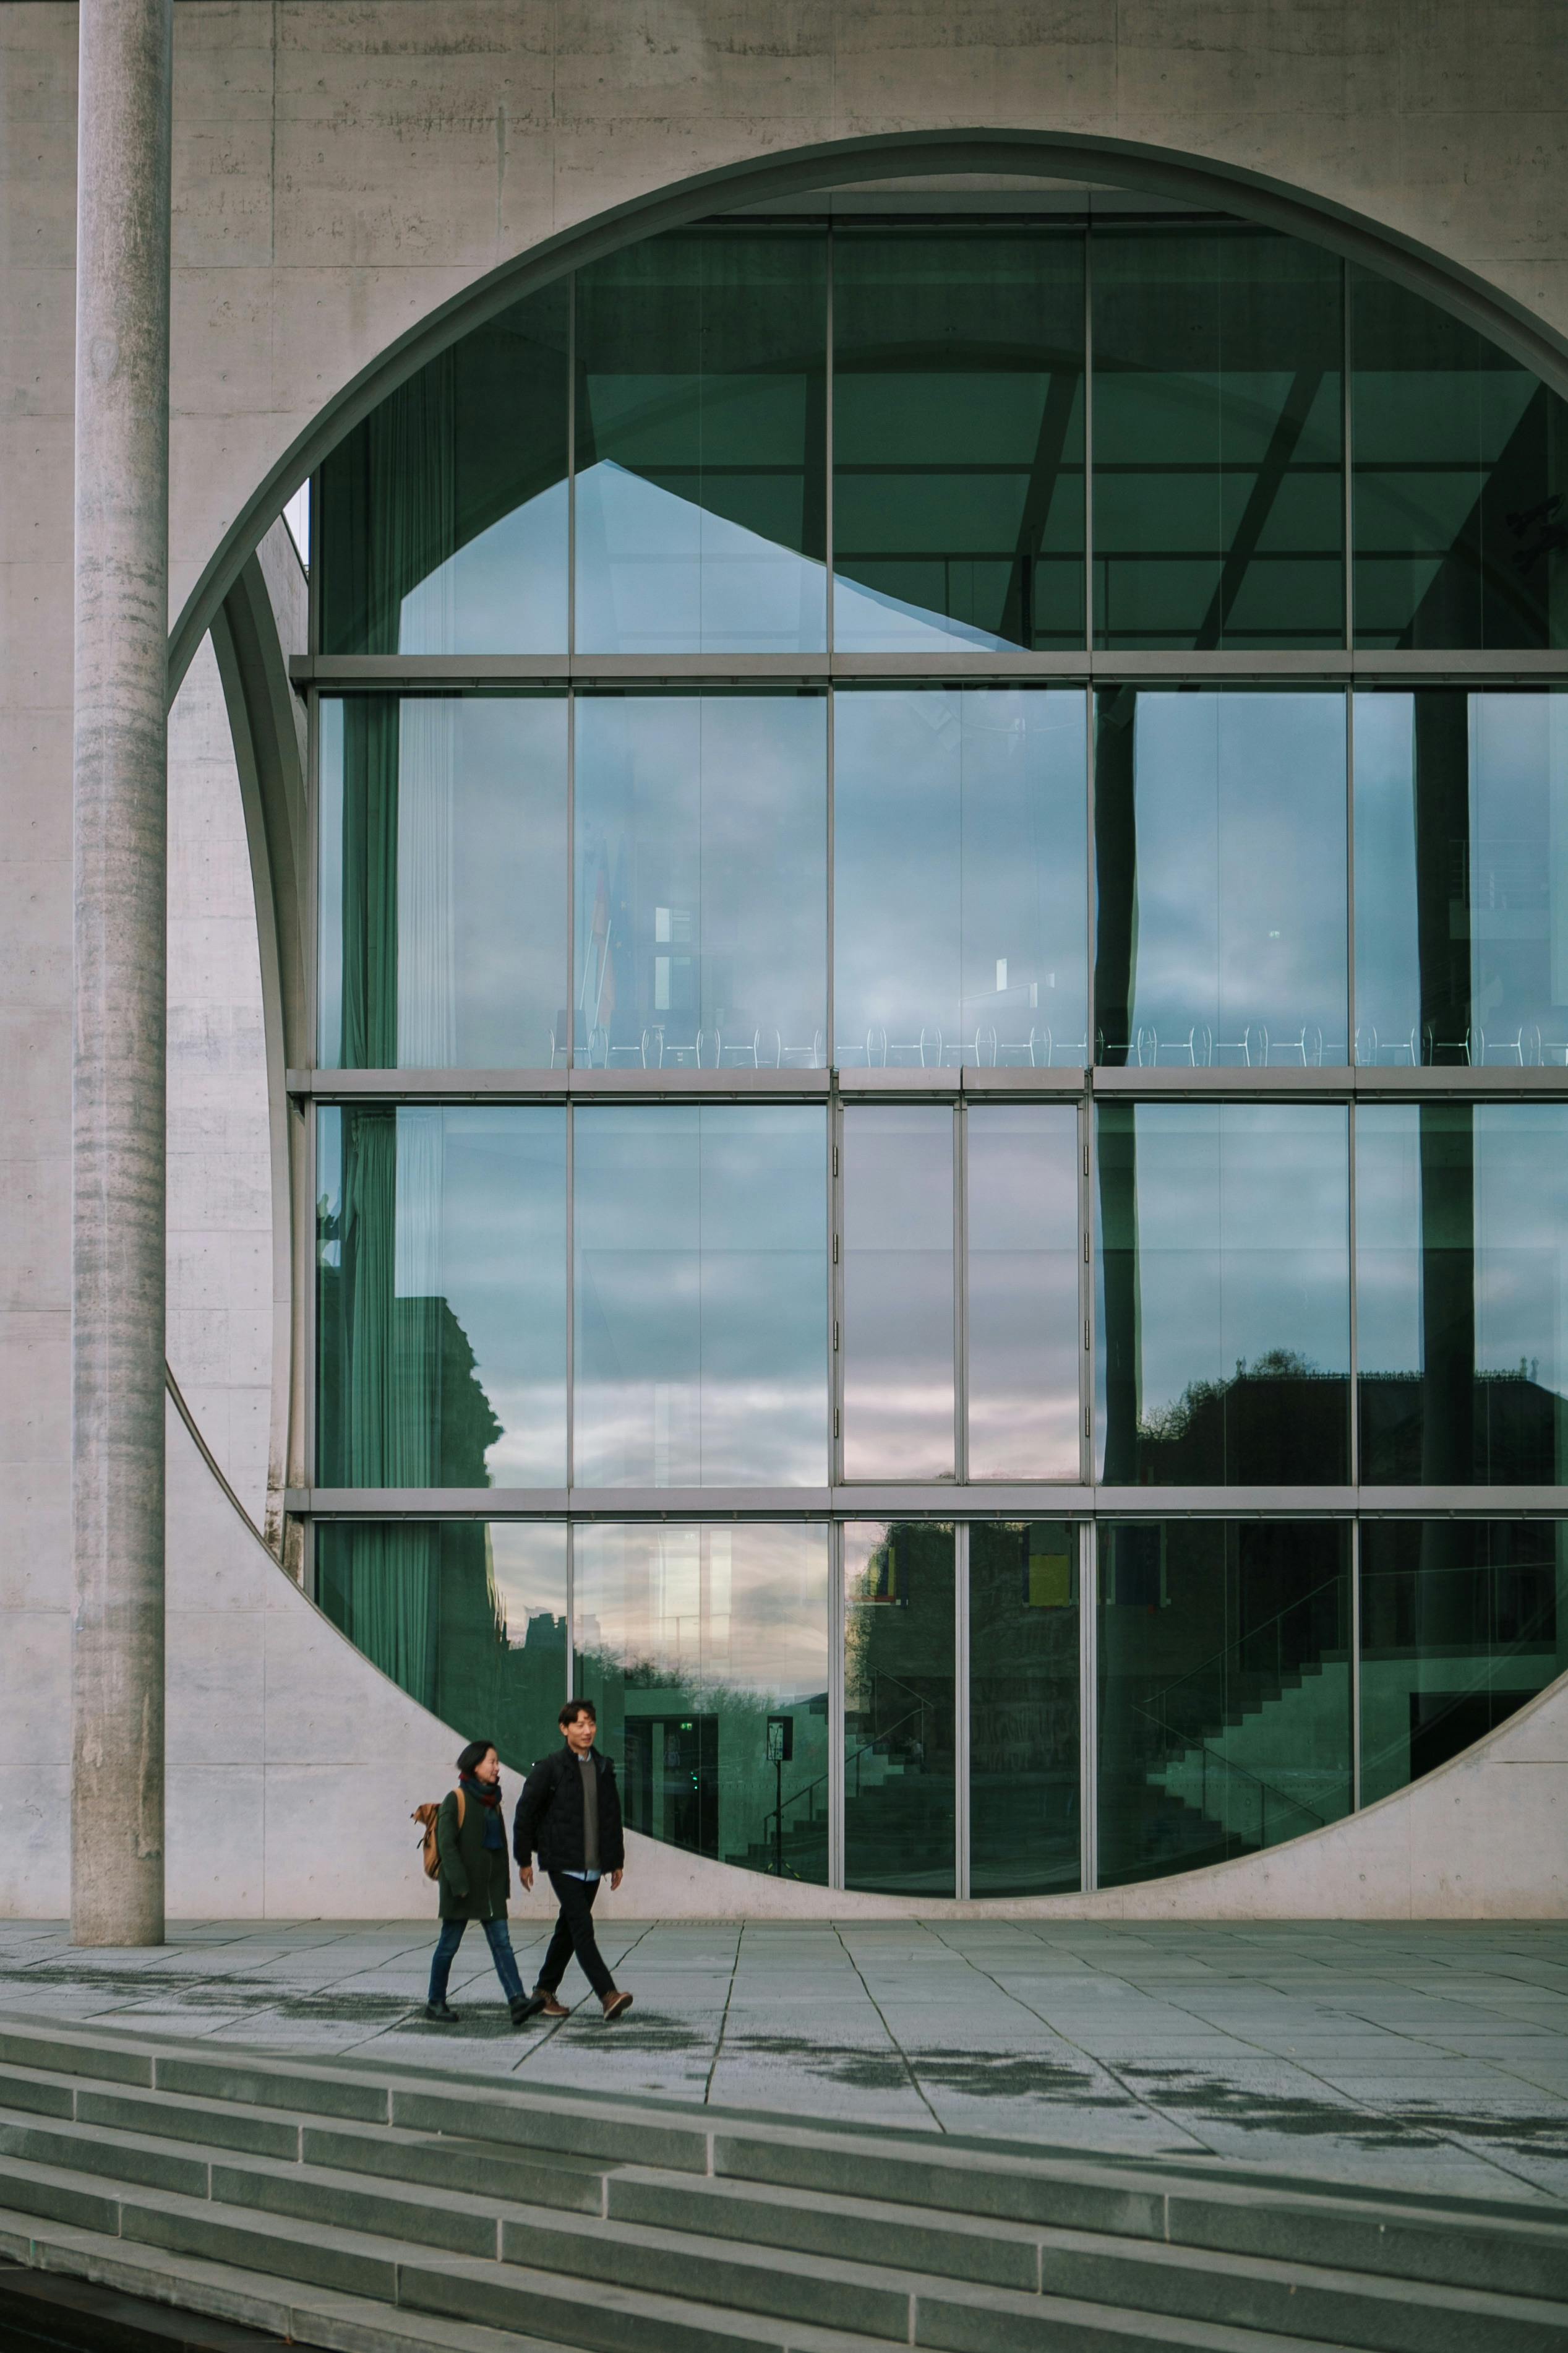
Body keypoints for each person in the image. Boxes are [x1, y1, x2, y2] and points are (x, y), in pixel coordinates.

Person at [513, 1698, 633, 2021]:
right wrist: (524, 1859)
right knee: (582, 1929)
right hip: (562, 1862)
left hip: (594, 1866)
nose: (587, 1730)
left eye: (591, 1723)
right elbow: (525, 1814)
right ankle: (608, 1994)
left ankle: (543, 1992)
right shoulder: (550, 1768)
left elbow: (612, 1817)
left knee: (567, 1930)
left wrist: (616, 1861)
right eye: (579, 1724)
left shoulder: (604, 1767)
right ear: (564, 1729)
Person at [424, 1739, 546, 2027]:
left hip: (489, 1889)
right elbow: (447, 1845)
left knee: (502, 1943)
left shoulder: (492, 1800)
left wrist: (505, 1881)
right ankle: (435, 2001)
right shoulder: (457, 1799)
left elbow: (499, 1847)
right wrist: (459, 1884)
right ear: (475, 1765)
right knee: (448, 1945)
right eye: (492, 1762)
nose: (496, 1767)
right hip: (462, 1889)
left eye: (496, 1762)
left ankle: (517, 2000)